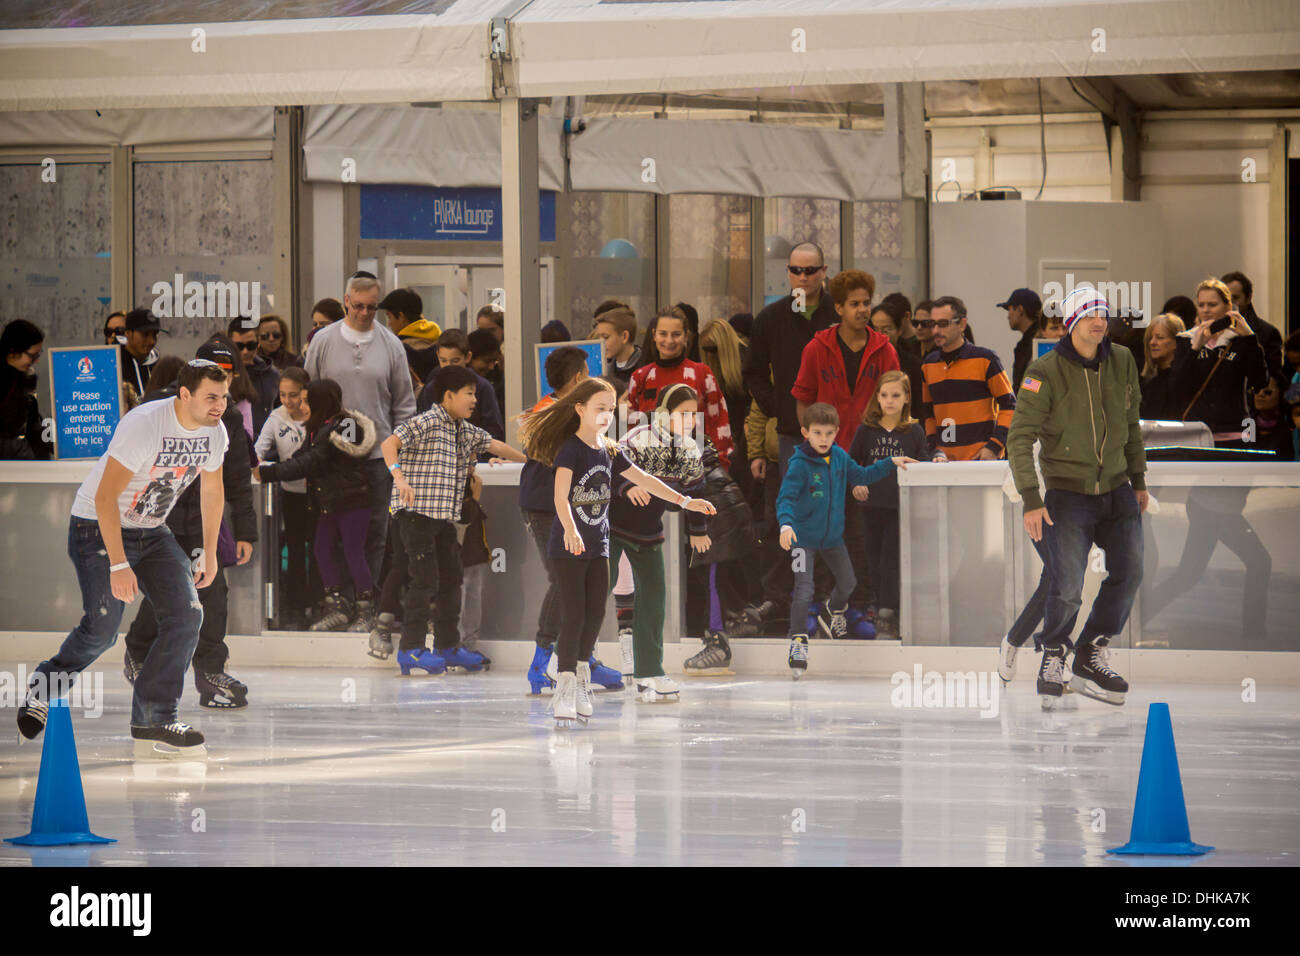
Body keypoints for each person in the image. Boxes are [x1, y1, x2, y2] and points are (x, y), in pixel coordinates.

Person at [18, 359, 230, 756]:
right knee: (103, 628)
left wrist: (211, 553)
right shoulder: (145, 424)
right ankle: (43, 686)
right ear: (185, 395)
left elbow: (212, 491)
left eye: (224, 396)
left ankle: (155, 715)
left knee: (187, 614)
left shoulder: (215, 432)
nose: (219, 405)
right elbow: (104, 497)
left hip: (151, 530)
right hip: (96, 526)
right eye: (210, 397)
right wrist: (118, 563)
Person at [522, 377, 714, 726]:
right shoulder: (571, 449)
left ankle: (581, 678)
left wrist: (686, 500)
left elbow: (646, 479)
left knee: (595, 615)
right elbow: (560, 497)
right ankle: (564, 683)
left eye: (611, 410)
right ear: (579, 409)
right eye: (599, 409)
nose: (606, 416)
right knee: (575, 614)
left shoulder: (610, 450)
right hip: (569, 546)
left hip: (599, 544)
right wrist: (569, 529)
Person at [1005, 287, 1148, 710]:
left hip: (1117, 489)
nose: (1098, 321)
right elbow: (1019, 437)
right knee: (1067, 584)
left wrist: (1138, 480)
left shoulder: (1122, 360)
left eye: (1102, 313)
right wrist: (1032, 498)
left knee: (1130, 571)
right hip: (1067, 492)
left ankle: (1089, 650)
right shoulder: (1044, 370)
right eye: (1087, 315)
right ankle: (1053, 653)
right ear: (1071, 323)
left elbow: (1132, 424)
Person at [123, 340, 258, 709]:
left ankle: (210, 669)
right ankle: (138, 648)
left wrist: (245, 530)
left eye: (227, 380)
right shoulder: (159, 407)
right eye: (214, 380)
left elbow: (236, 474)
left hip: (201, 518)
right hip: (159, 515)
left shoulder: (224, 414)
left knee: (212, 591)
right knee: (167, 587)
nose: (219, 395)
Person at [383, 364, 527, 675]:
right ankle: (411, 649)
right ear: (449, 396)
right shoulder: (427, 421)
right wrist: (399, 478)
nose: (474, 399)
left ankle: (448, 646)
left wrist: (532, 462)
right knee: (423, 581)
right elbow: (389, 443)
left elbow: (494, 444)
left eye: (475, 393)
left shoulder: (463, 428)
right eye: (469, 394)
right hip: (415, 514)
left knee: (451, 580)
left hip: (443, 517)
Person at [777, 402, 912, 679]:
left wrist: (891, 462)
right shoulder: (799, 464)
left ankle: (831, 611)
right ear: (805, 433)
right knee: (804, 589)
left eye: (828, 433)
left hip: (832, 540)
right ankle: (798, 641)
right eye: (817, 433)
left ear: (837, 432)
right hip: (802, 539)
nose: (823, 439)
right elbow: (786, 498)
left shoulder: (839, 457)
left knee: (849, 582)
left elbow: (862, 475)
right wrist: (786, 525)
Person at [303, 272, 416, 585]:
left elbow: (404, 405)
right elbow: (307, 397)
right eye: (359, 307)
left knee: (376, 534)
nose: (365, 313)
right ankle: (338, 602)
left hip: (377, 459)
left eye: (372, 307)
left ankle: (371, 605)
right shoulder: (323, 342)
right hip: (331, 458)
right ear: (346, 303)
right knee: (331, 534)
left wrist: (397, 454)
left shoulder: (392, 345)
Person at [516, 347, 609, 694]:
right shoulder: (550, 414)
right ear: (579, 379)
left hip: (576, 508)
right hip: (546, 508)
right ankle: (544, 662)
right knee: (563, 578)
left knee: (584, 582)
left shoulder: (573, 412)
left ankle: (582, 658)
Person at [610, 383, 710, 699]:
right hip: (611, 529)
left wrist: (698, 530)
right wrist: (626, 488)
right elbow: (608, 469)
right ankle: (567, 661)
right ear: (664, 413)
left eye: (694, 415)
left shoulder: (690, 449)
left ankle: (650, 672)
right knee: (592, 593)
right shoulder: (636, 440)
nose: (690, 421)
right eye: (684, 414)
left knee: (653, 602)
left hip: (649, 532)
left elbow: (695, 492)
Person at [255, 378, 378, 632]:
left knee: (354, 553)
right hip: (330, 502)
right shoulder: (318, 427)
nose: (303, 404)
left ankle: (366, 610)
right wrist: (271, 466)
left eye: (308, 400)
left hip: (353, 501)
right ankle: (338, 607)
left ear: (323, 401)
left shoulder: (344, 425)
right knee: (322, 549)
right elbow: (302, 456)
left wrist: (269, 474)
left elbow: (312, 460)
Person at [848, 371, 933, 639]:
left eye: (895, 395)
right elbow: (850, 464)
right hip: (870, 507)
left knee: (891, 559)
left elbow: (924, 464)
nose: (889, 401)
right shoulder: (866, 430)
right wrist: (856, 483)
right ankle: (875, 606)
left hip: (900, 507)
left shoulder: (914, 432)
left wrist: (937, 459)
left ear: (907, 398)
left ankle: (889, 610)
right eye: (884, 395)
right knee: (871, 558)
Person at [743, 241, 837, 478]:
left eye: (810, 270)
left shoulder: (838, 314)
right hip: (792, 430)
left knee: (836, 504)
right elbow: (754, 372)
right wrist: (779, 405)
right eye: (796, 270)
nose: (802, 277)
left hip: (838, 428)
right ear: (788, 271)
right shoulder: (770, 318)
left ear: (823, 271)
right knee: (796, 504)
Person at [792, 269, 900, 453]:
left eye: (866, 303)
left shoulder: (885, 351)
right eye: (854, 304)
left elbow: (897, 402)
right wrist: (813, 441)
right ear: (839, 308)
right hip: (828, 452)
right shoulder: (816, 349)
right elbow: (803, 401)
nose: (863, 310)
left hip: (873, 452)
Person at [626, 307, 734, 466]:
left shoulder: (702, 374)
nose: (669, 341)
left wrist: (720, 467)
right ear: (654, 335)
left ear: (686, 337)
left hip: (695, 471)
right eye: (663, 334)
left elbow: (719, 425)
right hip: (651, 472)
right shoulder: (640, 377)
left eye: (676, 335)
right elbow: (631, 430)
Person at [919, 296, 1015, 461]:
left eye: (943, 324)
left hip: (983, 460)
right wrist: (933, 449)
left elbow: (1010, 406)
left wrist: (994, 446)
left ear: (962, 324)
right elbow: (929, 415)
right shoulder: (928, 365)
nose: (935, 330)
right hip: (943, 463)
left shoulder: (986, 359)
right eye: (932, 324)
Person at [1173, 278, 1268, 443]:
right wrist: (1194, 349)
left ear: (1228, 307)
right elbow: (1176, 386)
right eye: (1201, 305)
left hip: (1235, 430)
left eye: (1212, 305)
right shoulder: (1185, 340)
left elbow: (1260, 381)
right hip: (1196, 431)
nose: (1206, 310)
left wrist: (1250, 339)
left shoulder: (1240, 341)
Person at [255, 366, 314, 628]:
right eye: (282, 395)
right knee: (297, 552)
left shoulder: (318, 415)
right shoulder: (277, 417)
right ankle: (297, 606)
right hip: (291, 495)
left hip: (319, 495)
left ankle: (322, 601)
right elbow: (258, 450)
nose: (288, 401)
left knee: (320, 551)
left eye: (294, 395)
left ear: (306, 392)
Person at [416, 328, 504, 440]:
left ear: (467, 357)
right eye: (443, 360)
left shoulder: (483, 388)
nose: (449, 366)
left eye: (455, 361)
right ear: (438, 356)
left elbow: (494, 430)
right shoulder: (431, 389)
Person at [1, 319, 54, 460]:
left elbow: (32, 424)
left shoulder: (25, 380)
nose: (36, 361)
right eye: (32, 355)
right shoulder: (13, 383)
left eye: (38, 355)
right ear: (13, 351)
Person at [1222, 270, 1284, 385]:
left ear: (1248, 297)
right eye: (1225, 299)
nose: (1230, 304)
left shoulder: (1268, 333)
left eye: (1235, 298)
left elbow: (1273, 377)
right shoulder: (1212, 331)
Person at [868, 300, 922, 422]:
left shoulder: (913, 365)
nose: (880, 335)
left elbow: (918, 409)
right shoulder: (863, 362)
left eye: (886, 329)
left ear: (899, 330)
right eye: (875, 329)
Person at [228, 317, 279, 434]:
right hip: (238, 444)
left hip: (270, 444)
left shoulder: (272, 374)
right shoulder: (224, 376)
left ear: (258, 342)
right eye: (239, 346)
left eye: (251, 345)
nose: (245, 351)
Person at [1138, 313, 1186, 420]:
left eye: (1160, 338)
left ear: (1176, 342)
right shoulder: (1149, 382)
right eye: (1150, 338)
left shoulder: (1181, 379)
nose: (1152, 342)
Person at [998, 288, 1044, 393]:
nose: (1008, 316)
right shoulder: (1030, 342)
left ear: (1020, 309)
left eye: (1009, 309)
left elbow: (1035, 382)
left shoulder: (1037, 343)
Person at [592, 306, 643, 396]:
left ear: (624, 336)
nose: (601, 343)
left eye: (606, 337)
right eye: (598, 337)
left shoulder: (646, 369)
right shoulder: (604, 370)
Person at [119, 308, 165, 397]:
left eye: (155, 334)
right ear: (127, 333)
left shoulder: (158, 367)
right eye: (145, 334)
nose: (152, 341)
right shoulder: (115, 366)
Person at [475, 304, 506, 410]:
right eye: (481, 330)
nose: (485, 335)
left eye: (491, 330)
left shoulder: (511, 353)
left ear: (503, 329)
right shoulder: (472, 352)